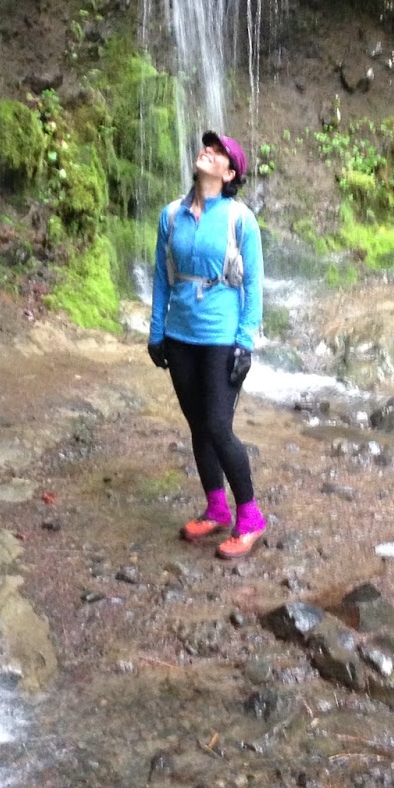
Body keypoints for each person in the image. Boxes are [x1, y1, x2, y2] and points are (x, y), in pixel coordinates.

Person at [147, 129, 266, 558]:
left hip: (221, 337)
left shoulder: (240, 218)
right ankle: (216, 508)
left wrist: (245, 343)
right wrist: (156, 330)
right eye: (207, 147)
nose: (208, 153)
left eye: (218, 153)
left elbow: (253, 285)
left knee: (218, 425)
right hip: (180, 336)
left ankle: (250, 517)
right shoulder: (171, 215)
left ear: (230, 172)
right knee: (198, 424)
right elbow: (163, 275)